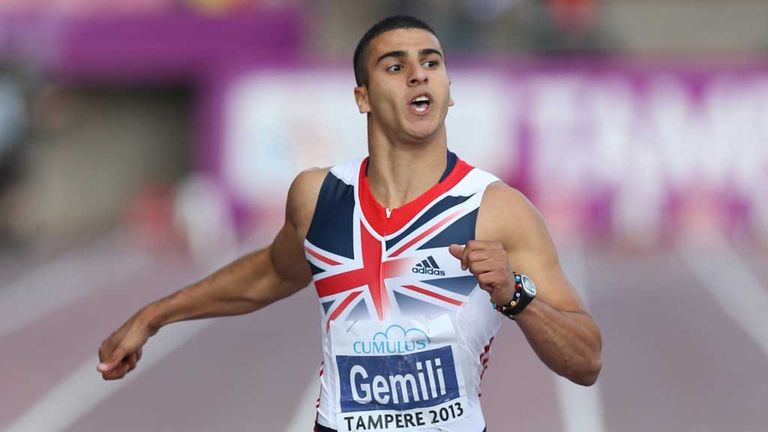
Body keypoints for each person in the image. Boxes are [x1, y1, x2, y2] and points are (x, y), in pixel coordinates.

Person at [97, 15, 602, 432]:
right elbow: (269, 274)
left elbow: (586, 360)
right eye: (395, 66)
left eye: (431, 63)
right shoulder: (320, 197)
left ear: (449, 91)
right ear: (362, 97)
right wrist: (153, 316)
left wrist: (517, 294)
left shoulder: (495, 208)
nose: (419, 75)